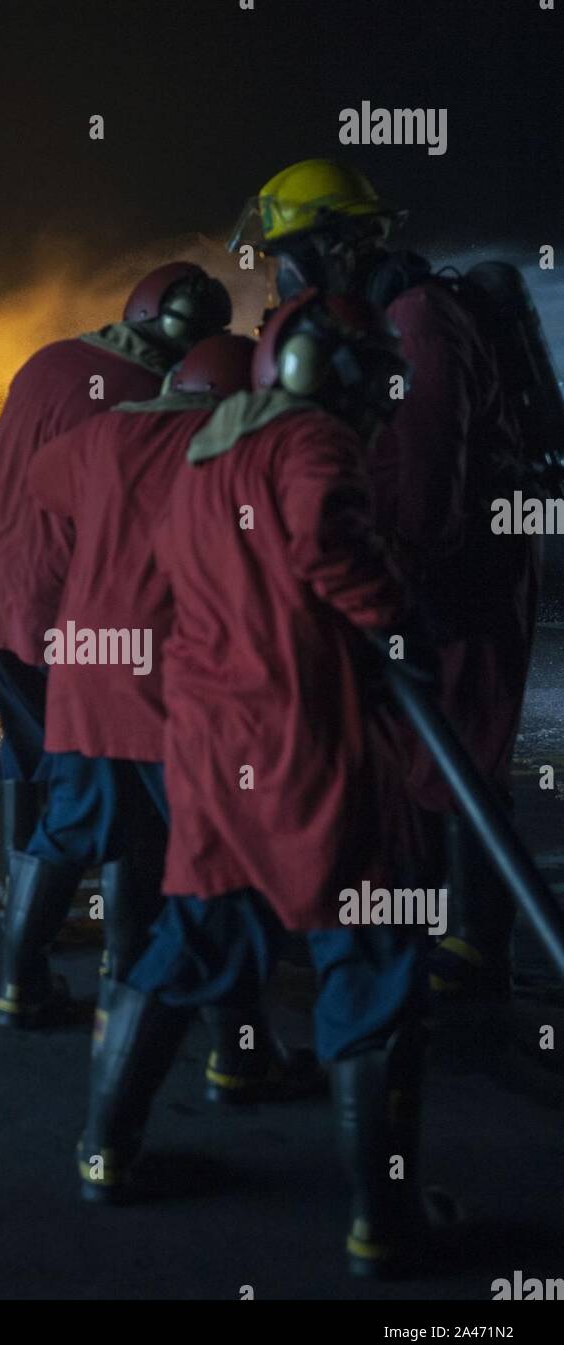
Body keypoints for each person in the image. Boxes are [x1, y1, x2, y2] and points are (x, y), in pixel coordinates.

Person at [79, 290, 448, 1279]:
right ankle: (384, 1221)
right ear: (314, 366)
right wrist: (394, 619)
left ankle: (104, 1155)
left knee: (195, 931)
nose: (374, 388)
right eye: (363, 366)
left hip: (211, 741)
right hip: (304, 740)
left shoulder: (206, 451)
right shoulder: (310, 445)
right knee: (369, 954)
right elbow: (326, 543)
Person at [237, 159, 541, 998]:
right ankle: (421, 928)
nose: (281, 272)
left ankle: (478, 946)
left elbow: (427, 488)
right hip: (422, 570)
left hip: (463, 573)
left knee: (459, 761)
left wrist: (383, 573)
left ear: (341, 240)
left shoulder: (417, 320)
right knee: (414, 760)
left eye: (288, 251)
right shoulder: (380, 314)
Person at [27, 332, 313, 1095]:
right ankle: (238, 1055)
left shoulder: (106, 430)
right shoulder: (236, 450)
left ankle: (23, 983)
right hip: (170, 693)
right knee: (217, 872)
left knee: (81, 831)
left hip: (87, 677)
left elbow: (44, 485)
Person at [0, 262, 233, 1024]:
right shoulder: (150, 406)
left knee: (30, 758)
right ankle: (116, 954)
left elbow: (42, 481)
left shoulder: (50, 359)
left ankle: (27, 929)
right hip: (59, 611)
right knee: (101, 789)